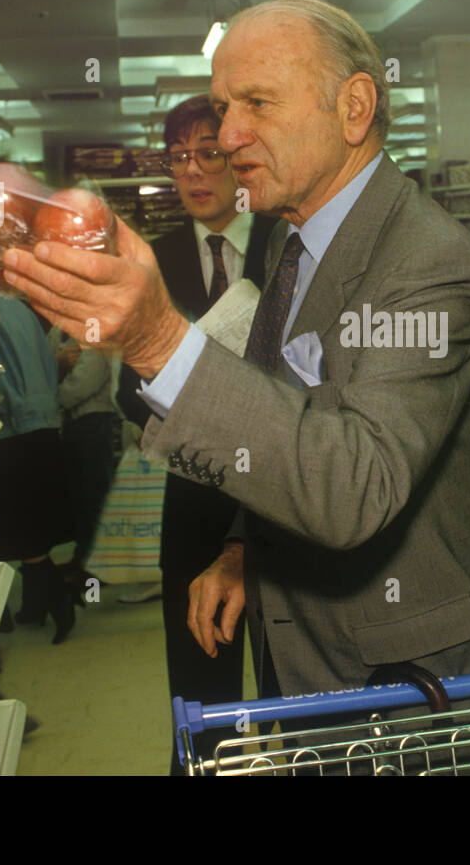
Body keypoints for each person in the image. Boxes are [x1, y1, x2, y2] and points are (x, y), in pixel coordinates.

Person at [0, 0, 470, 704]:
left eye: (258, 104)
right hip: (302, 658)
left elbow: (356, 483)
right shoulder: (289, 245)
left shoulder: (429, 262)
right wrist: (244, 548)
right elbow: (286, 416)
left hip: (405, 687)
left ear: (353, 108)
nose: (229, 133)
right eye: (221, 106)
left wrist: (157, 338)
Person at [113, 94, 274, 772]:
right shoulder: (151, 259)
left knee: (294, 685)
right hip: (193, 501)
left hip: (282, 501)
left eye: (209, 152)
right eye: (179, 158)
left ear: (239, 155)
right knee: (201, 703)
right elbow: (128, 389)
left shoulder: (282, 243)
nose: (193, 171)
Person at [0, 288, 76, 644]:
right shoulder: (18, 308)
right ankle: (37, 606)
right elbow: (49, 363)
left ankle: (46, 604)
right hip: (43, 425)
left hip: (5, 431)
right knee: (33, 527)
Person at [48, 328, 120, 588]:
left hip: (94, 422)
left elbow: (83, 382)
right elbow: (45, 361)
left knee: (95, 496)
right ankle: (84, 558)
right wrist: (57, 360)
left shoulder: (95, 330)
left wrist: (48, 396)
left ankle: (98, 569)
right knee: (80, 497)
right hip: (72, 422)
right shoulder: (60, 330)